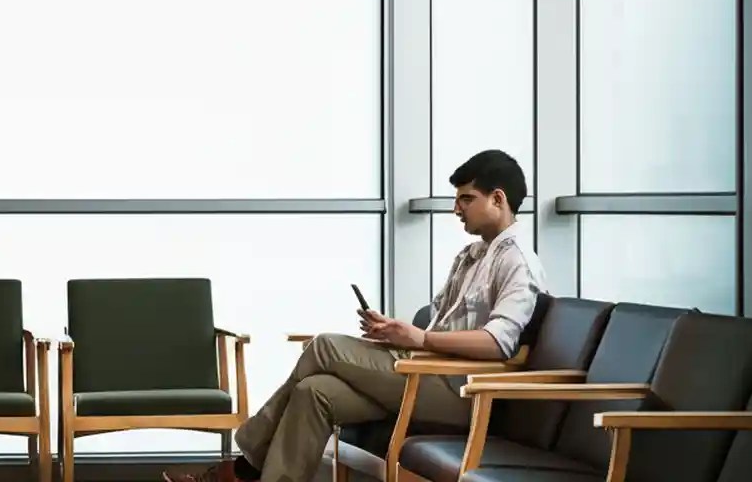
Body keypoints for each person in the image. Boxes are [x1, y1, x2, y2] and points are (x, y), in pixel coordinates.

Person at [164, 149, 547, 482]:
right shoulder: (471, 256)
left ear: (498, 199)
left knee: (325, 346)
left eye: (466, 198)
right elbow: (436, 330)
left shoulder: (518, 261)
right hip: (425, 376)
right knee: (312, 392)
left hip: (461, 394)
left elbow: (499, 343)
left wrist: (418, 339)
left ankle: (245, 462)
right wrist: (396, 332)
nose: (456, 208)